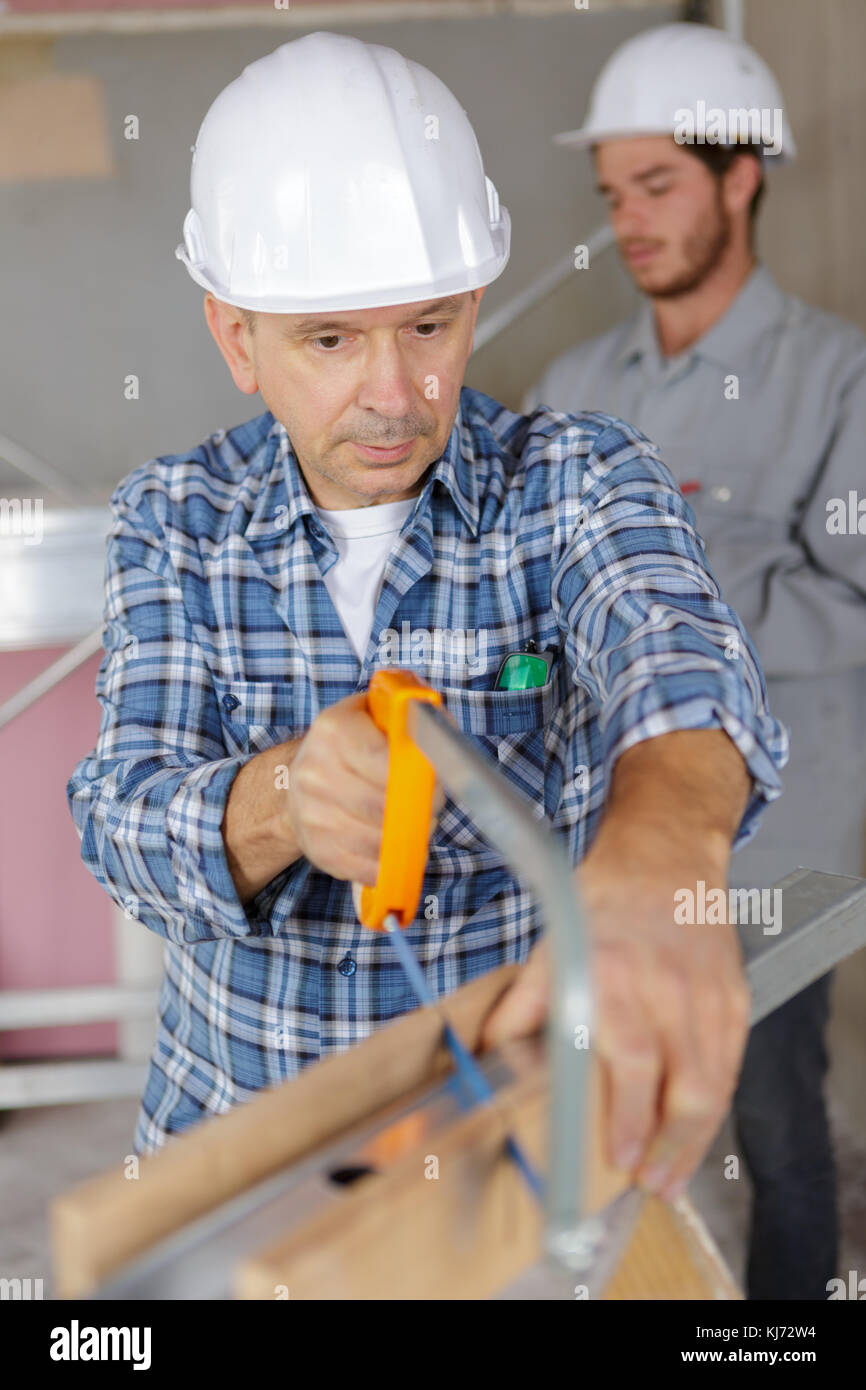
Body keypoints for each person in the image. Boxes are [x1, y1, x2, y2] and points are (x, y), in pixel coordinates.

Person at [68, 33, 787, 1239]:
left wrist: (660, 859)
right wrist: (284, 798)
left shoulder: (572, 481)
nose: (397, 396)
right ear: (238, 340)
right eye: (332, 341)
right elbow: (119, 817)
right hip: (244, 1170)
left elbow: (676, 651)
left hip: (497, 1160)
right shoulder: (174, 521)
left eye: (429, 326)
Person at [525, 21, 866, 1299]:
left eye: (658, 184)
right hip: (601, 831)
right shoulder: (574, 384)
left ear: (742, 178)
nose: (630, 221)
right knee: (601, 1116)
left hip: (778, 841)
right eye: (614, 194)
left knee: (774, 1122)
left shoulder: (840, 381)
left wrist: (680, 562)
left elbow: (856, 600)